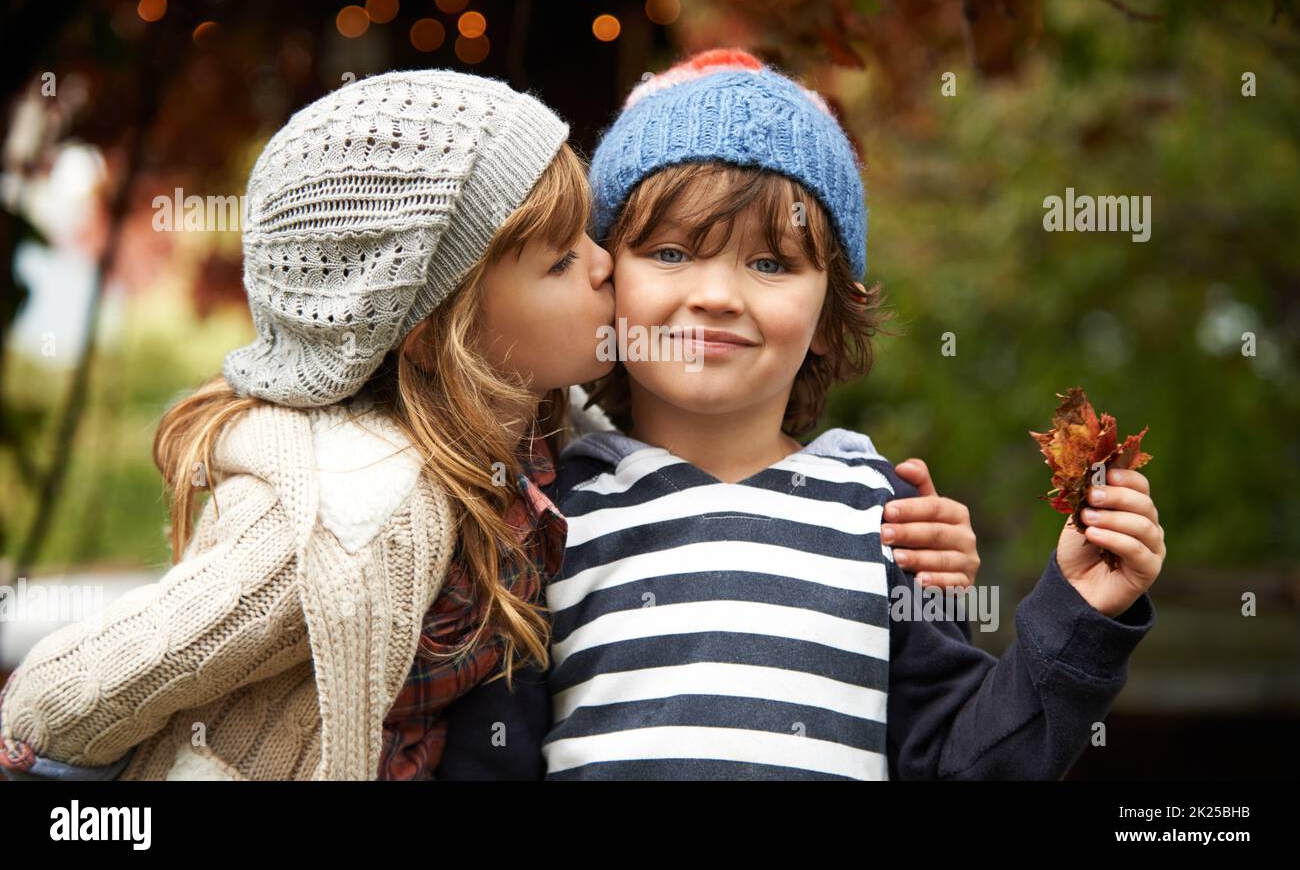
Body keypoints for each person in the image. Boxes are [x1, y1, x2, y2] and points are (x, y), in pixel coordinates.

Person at [538, 48, 1164, 779]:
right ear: (606, 280)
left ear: (833, 315)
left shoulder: (892, 523)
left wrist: (1076, 615)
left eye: (770, 263)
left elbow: (962, 764)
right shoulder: (546, 513)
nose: (714, 294)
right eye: (672, 251)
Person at [0, 68, 617, 780]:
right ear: (433, 328)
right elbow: (56, 701)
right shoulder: (342, 516)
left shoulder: (542, 433)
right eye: (563, 259)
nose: (606, 265)